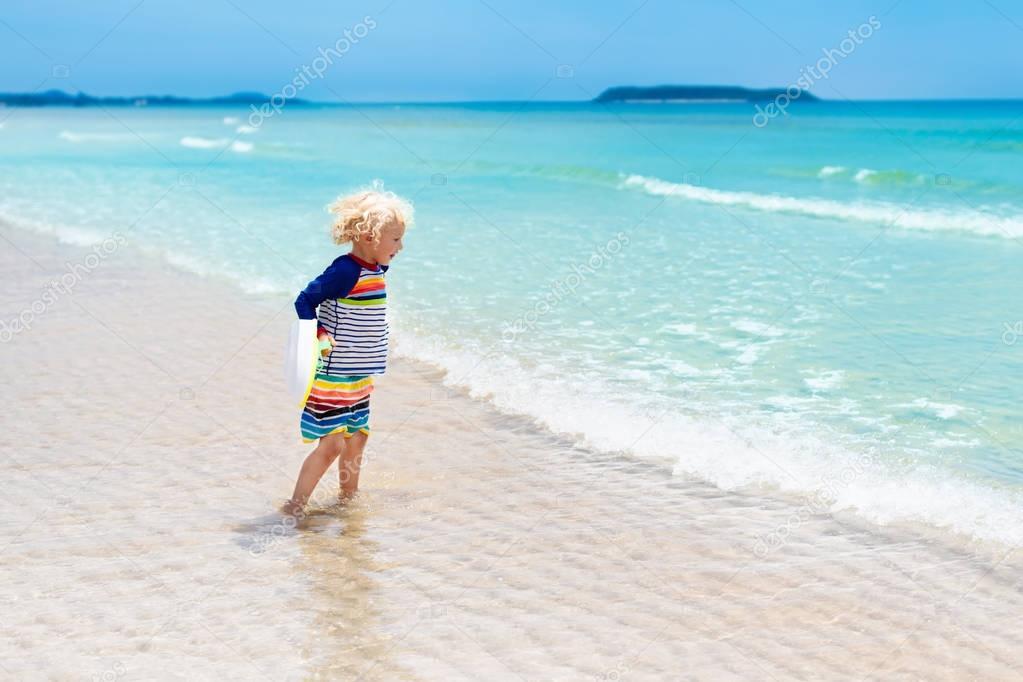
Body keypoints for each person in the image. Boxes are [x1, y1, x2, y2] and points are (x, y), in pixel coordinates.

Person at [282, 185, 412, 515]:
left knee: (358, 437)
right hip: (333, 375)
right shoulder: (345, 271)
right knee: (332, 444)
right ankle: (294, 506)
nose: (400, 247)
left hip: (359, 374)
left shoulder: (376, 268)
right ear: (369, 237)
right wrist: (320, 333)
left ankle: (347, 501)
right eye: (396, 239)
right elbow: (304, 300)